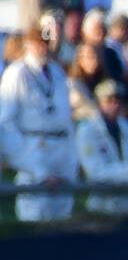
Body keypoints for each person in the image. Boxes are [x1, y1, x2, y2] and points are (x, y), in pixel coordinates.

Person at [0, 21, 78, 221]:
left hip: (61, 150)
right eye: (38, 42)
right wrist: (30, 163)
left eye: (46, 42)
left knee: (63, 215)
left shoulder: (57, 72)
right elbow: (6, 123)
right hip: (35, 147)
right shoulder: (17, 73)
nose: (43, 47)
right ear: (28, 44)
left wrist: (72, 155)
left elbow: (65, 116)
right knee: (35, 214)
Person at [77, 80, 128, 215]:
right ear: (98, 103)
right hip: (103, 207)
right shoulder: (87, 130)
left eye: (118, 100)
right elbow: (95, 172)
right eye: (109, 100)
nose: (115, 104)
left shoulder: (125, 126)